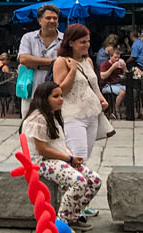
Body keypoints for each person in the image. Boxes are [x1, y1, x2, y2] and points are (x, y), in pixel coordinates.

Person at [21, 81, 100, 225]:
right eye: (56, 96)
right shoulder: (38, 118)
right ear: (44, 99)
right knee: (79, 182)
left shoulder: (53, 115)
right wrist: (68, 158)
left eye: (61, 96)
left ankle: (74, 215)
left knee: (94, 180)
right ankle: (62, 221)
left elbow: (59, 142)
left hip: (59, 157)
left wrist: (71, 156)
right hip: (42, 161)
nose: (61, 99)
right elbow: (42, 149)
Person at [51, 24, 109, 163]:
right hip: (73, 114)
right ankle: (75, 183)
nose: (86, 45)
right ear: (71, 43)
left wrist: (102, 99)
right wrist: (72, 70)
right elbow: (60, 90)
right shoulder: (61, 61)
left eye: (88, 41)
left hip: (92, 113)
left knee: (87, 156)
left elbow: (93, 85)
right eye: (82, 42)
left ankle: (83, 182)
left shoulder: (87, 60)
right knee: (78, 155)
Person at [17, 4, 62, 117]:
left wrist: (35, 63)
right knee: (28, 126)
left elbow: (67, 63)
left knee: (55, 127)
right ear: (40, 20)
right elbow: (23, 59)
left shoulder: (65, 39)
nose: (52, 21)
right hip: (31, 91)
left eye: (55, 18)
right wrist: (54, 62)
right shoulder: (28, 38)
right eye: (48, 18)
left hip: (56, 93)